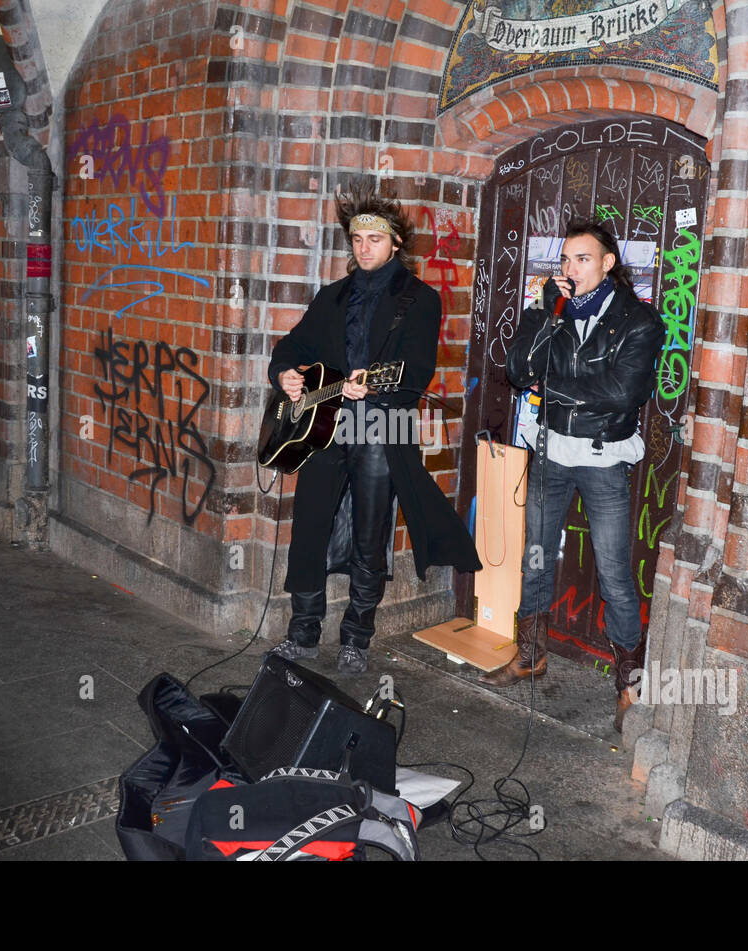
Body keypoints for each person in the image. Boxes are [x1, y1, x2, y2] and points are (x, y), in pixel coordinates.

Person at [267, 183, 481, 674]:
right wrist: (285, 373)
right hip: (324, 426)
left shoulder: (418, 300)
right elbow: (291, 346)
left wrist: (379, 389)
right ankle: (302, 633)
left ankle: (356, 638)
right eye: (357, 240)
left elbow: (417, 368)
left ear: (395, 243)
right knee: (310, 525)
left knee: (370, 530)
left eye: (375, 240)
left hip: (382, 424)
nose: (364, 249)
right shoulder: (332, 297)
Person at [487, 217, 664, 733]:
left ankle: (630, 679)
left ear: (607, 264)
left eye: (582, 258)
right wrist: (546, 314)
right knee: (535, 557)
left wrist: (555, 388)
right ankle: (532, 652)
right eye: (565, 260)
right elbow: (519, 372)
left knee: (613, 571)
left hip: (604, 457)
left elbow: (622, 392)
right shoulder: (552, 311)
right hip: (551, 453)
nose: (570, 268)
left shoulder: (639, 321)